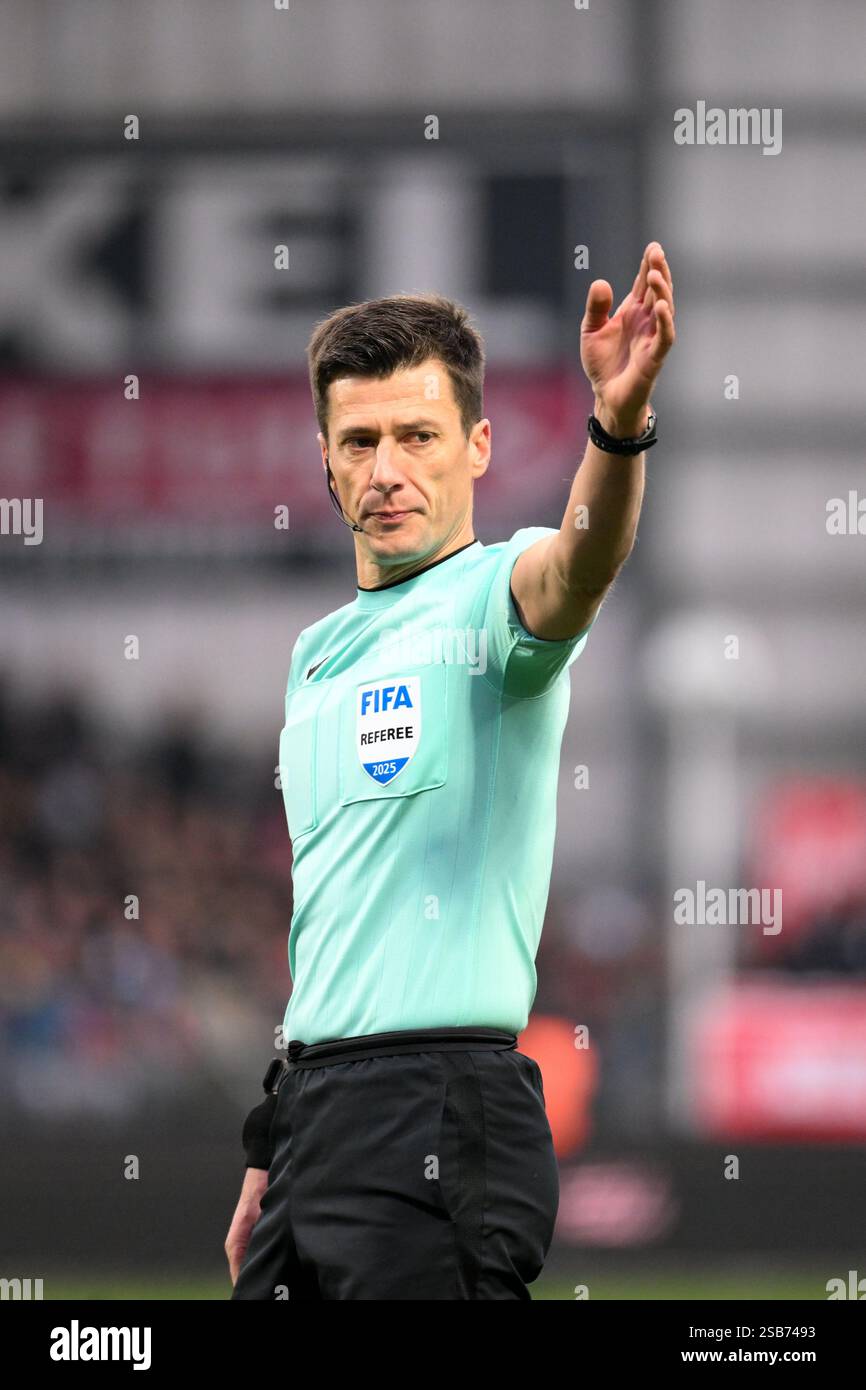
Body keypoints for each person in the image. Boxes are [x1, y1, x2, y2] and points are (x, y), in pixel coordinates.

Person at [226, 244, 675, 1299]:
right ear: (325, 463)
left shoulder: (492, 598)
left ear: (476, 446)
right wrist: (273, 1136)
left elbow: (581, 560)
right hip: (311, 1120)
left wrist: (616, 424)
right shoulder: (315, 655)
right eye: (360, 441)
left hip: (440, 1107)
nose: (387, 468)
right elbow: (335, 916)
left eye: (417, 436)